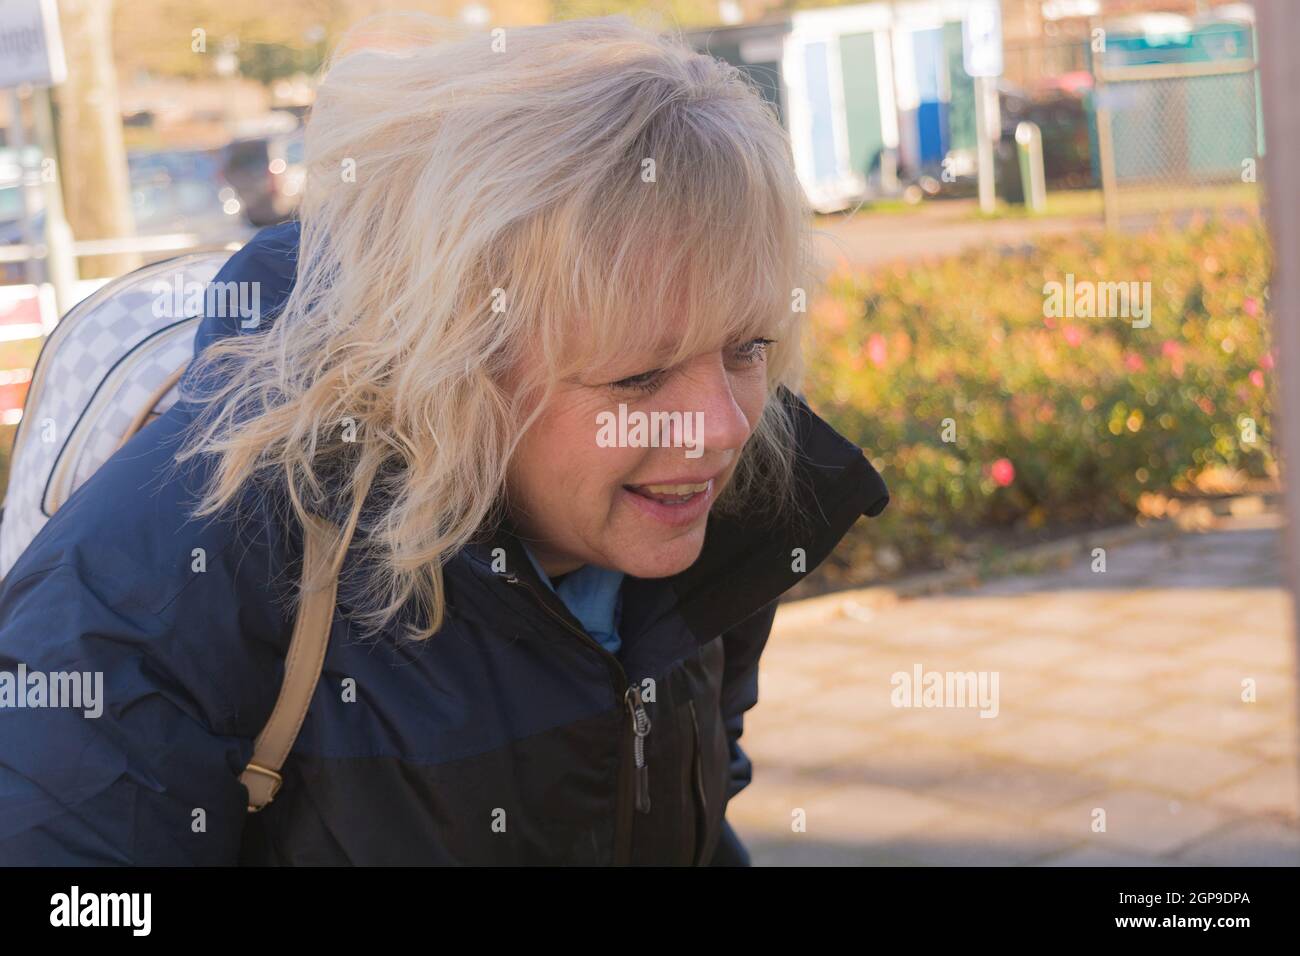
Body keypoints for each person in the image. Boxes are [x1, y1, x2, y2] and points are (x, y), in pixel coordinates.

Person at [0, 15, 887, 865]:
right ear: (451, 361)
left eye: (748, 349)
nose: (727, 430)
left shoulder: (701, 515)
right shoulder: (155, 586)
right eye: (637, 379)